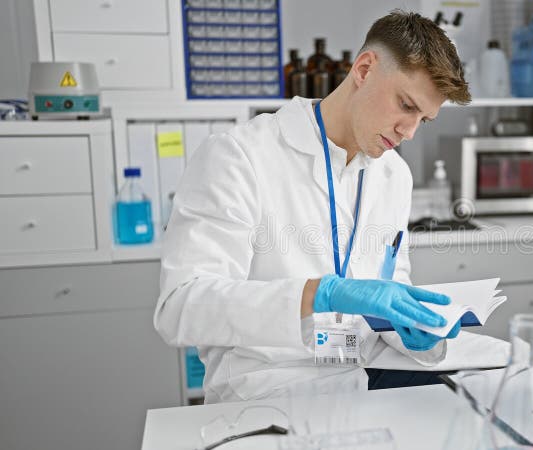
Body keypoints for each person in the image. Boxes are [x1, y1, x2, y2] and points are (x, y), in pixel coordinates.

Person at [154, 10, 471, 403]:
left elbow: (391, 280)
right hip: (267, 395)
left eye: (424, 119)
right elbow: (181, 307)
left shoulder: (394, 175)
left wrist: (414, 328)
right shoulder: (239, 156)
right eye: (406, 105)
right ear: (365, 69)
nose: (408, 131)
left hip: (365, 385)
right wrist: (318, 294)